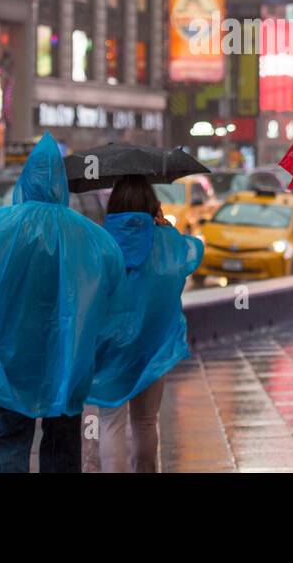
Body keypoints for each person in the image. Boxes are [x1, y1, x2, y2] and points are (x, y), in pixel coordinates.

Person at [0, 134, 124, 473]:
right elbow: (111, 292)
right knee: (62, 445)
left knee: (10, 441)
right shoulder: (92, 235)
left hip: (8, 357)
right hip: (67, 357)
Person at [88, 175, 204, 472]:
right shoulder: (166, 241)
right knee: (146, 420)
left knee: (110, 421)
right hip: (152, 345)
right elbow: (189, 258)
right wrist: (170, 230)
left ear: (113, 204)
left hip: (109, 345)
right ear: (152, 204)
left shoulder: (101, 240)